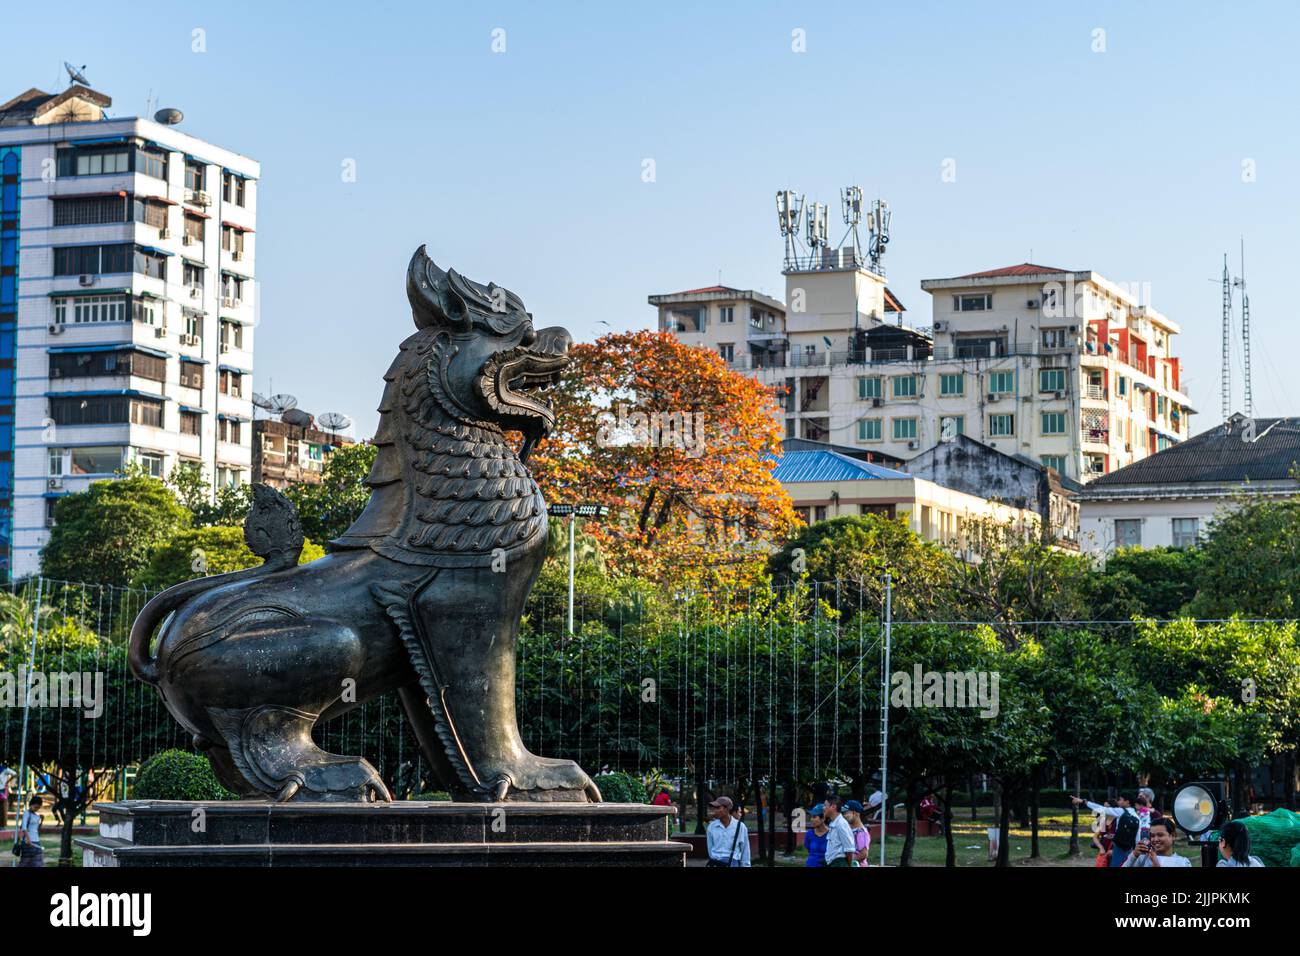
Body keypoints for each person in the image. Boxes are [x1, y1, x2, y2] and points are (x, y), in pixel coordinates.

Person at [1072, 793, 1146, 868]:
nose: (1118, 802)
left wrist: (1083, 801)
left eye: (1120, 800)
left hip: (1119, 847)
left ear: (1127, 802)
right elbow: (1137, 837)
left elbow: (1101, 809)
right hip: (1129, 849)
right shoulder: (1137, 817)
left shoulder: (1121, 812)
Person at [1121, 818, 1191, 868]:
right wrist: (1134, 855)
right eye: (1152, 836)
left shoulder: (1183, 862)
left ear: (1173, 836)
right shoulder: (1142, 858)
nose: (1155, 839)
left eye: (1160, 835)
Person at [705, 796, 750, 867]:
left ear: (727, 809)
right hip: (716, 863)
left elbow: (745, 850)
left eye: (718, 808)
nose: (715, 811)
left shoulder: (740, 827)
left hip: (733, 863)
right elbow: (710, 849)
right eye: (714, 808)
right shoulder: (711, 827)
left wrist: (746, 865)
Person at [822, 796, 856, 867]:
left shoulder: (841, 824)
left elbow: (849, 849)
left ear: (833, 807)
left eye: (825, 805)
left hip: (839, 863)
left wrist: (849, 865)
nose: (823, 808)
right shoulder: (833, 823)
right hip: (832, 862)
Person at [15, 794, 44, 868]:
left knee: (38, 862)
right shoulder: (26, 813)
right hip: (28, 842)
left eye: (38, 807)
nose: (36, 809)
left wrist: (41, 820)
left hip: (36, 841)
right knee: (25, 862)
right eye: (35, 807)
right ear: (31, 804)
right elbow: (24, 827)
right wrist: (28, 839)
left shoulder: (37, 815)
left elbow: (36, 829)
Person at [843, 799, 870, 866]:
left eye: (846, 813)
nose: (844, 815)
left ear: (854, 813)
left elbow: (863, 854)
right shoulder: (849, 828)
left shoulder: (861, 832)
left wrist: (846, 861)